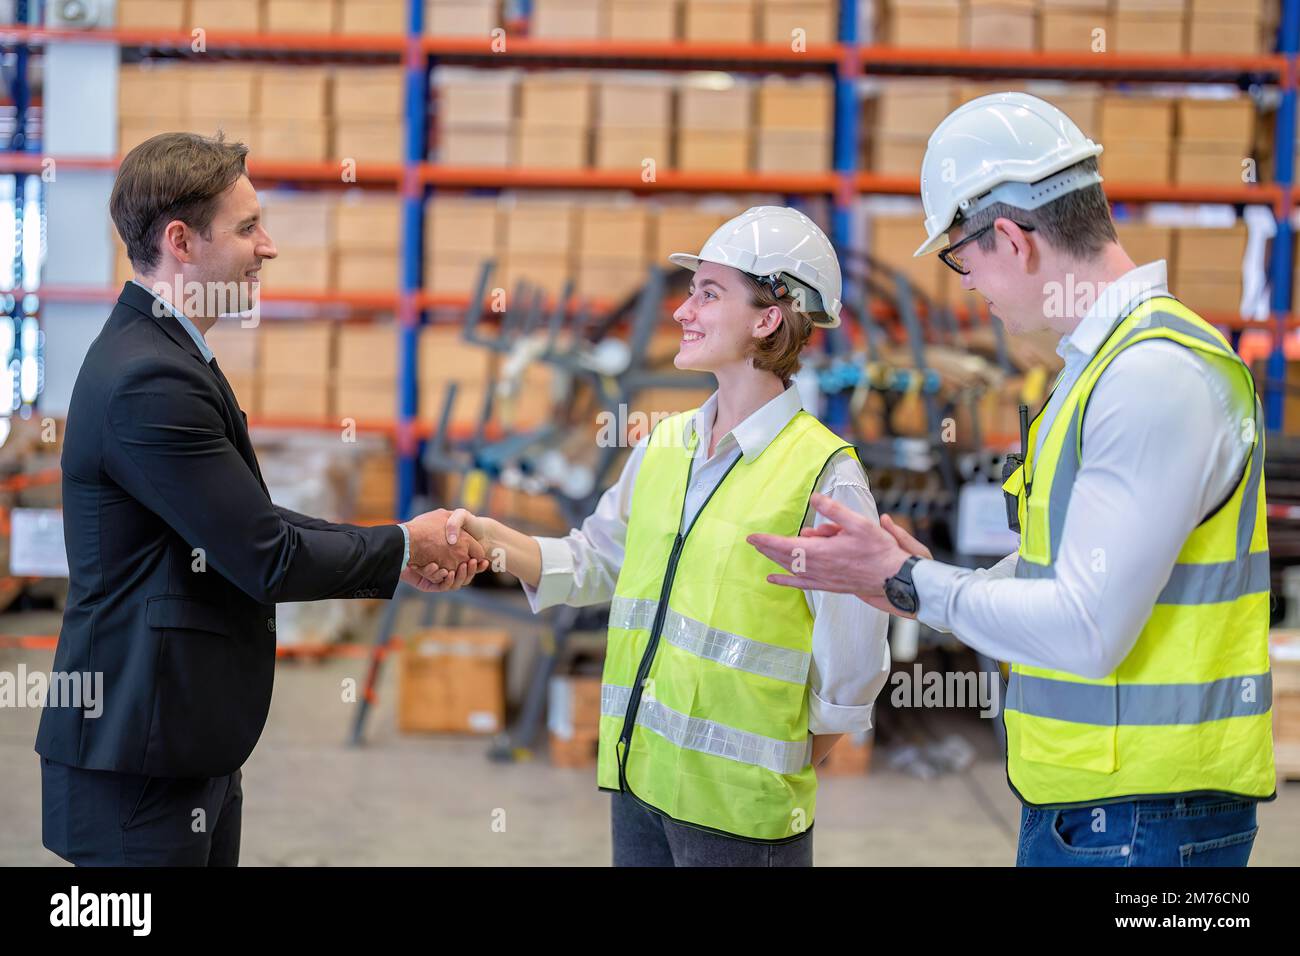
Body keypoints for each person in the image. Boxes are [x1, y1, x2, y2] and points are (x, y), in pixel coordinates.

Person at [749, 93, 1275, 867]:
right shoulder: (1102, 369)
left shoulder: (1151, 376)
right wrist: (919, 577)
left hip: (1142, 822)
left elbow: (1088, 630)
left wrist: (909, 585)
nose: (966, 284)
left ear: (1009, 238)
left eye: (960, 257)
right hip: (1105, 807)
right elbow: (1061, 567)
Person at [35, 131, 488, 866]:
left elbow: (247, 520)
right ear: (181, 242)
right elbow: (264, 556)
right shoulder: (149, 378)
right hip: (138, 753)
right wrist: (403, 544)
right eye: (247, 227)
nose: (267, 247)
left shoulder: (170, 355)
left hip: (182, 736)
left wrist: (396, 549)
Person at [445, 206, 891, 866]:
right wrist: (492, 540)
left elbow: (852, 672)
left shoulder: (826, 474)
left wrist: (772, 770)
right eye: (691, 292)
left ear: (768, 317)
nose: (683, 311)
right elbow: (597, 558)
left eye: (709, 294)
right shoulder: (664, 444)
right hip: (640, 783)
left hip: (741, 814)